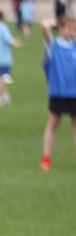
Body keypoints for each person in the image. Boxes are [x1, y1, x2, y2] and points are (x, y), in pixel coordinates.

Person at [39, 15, 76, 171]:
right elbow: (43, 26)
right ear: (60, 28)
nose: (72, 32)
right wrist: (55, 22)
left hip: (74, 93)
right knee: (53, 125)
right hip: (58, 93)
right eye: (69, 28)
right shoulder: (53, 45)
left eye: (74, 29)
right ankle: (46, 157)